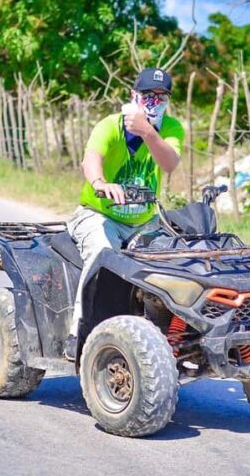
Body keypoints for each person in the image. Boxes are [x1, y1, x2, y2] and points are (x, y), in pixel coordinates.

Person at [63, 67, 184, 360]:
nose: (153, 102)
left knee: (175, 264)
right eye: (147, 95)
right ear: (134, 96)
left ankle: (167, 336)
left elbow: (169, 163)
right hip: (99, 215)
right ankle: (78, 332)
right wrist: (100, 183)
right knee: (103, 257)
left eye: (161, 96)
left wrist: (147, 131)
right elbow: (91, 160)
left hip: (144, 221)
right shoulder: (110, 125)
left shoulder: (171, 128)